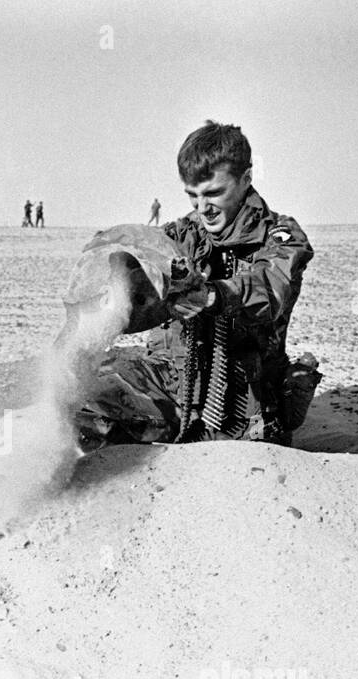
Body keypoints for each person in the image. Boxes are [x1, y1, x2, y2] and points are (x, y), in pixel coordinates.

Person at [69, 121, 320, 448]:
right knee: (73, 395)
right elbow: (134, 274)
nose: (203, 208)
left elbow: (271, 289)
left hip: (239, 400)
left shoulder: (280, 237)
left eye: (214, 192)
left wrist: (212, 295)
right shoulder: (179, 235)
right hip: (169, 379)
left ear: (246, 179)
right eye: (193, 195)